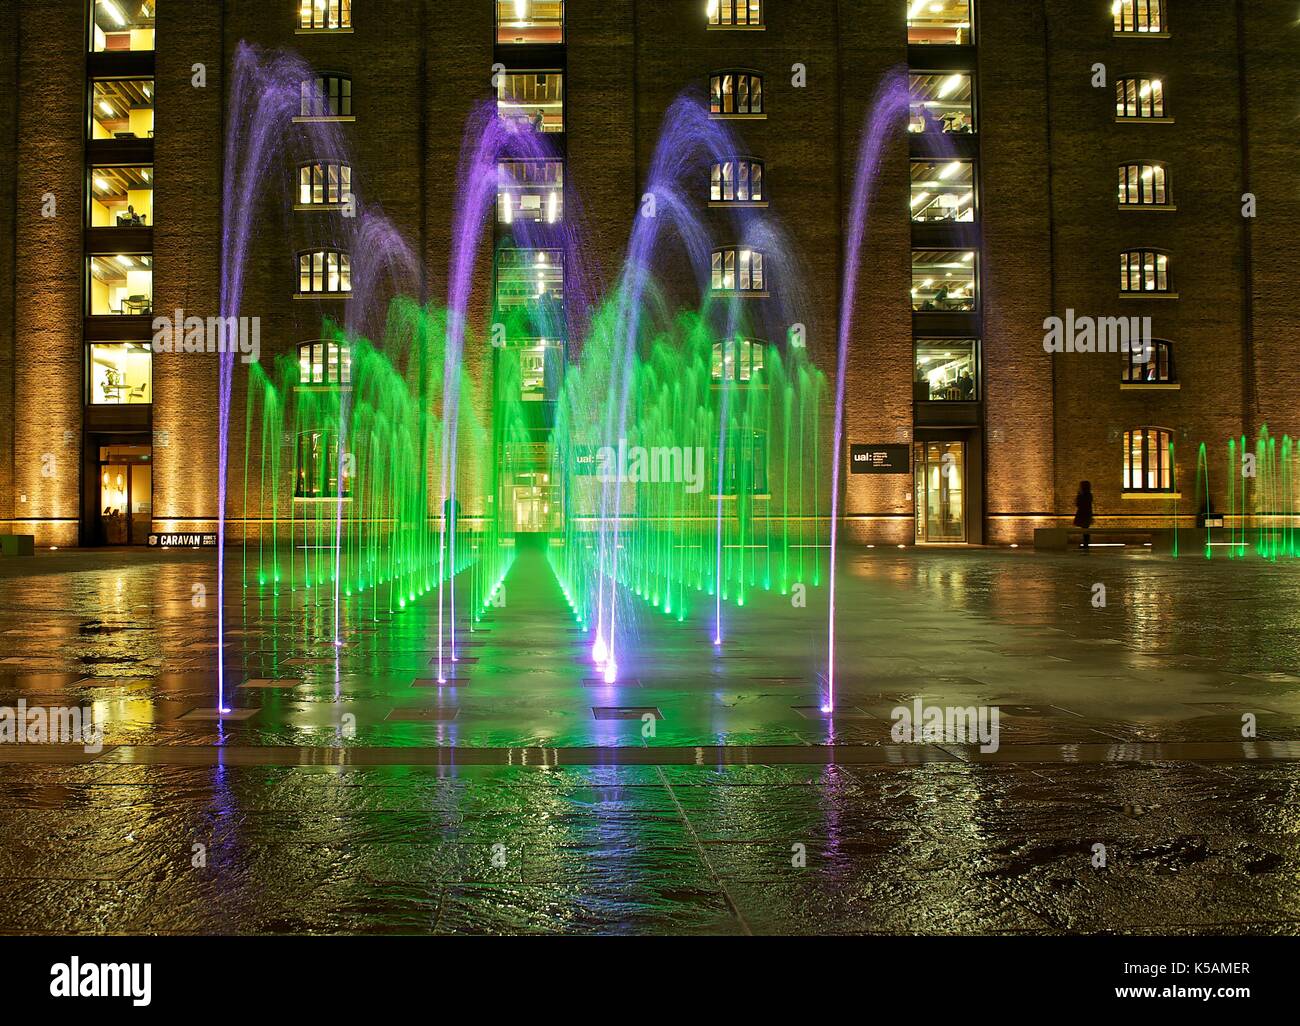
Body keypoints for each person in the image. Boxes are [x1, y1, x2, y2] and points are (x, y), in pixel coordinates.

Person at [1074, 480, 1094, 550]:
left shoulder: (1084, 495)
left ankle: (1086, 544)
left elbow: (1078, 504)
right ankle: (1085, 543)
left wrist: (1079, 495)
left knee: (1085, 530)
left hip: (1083, 514)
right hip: (1086, 514)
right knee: (1085, 529)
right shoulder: (1089, 494)